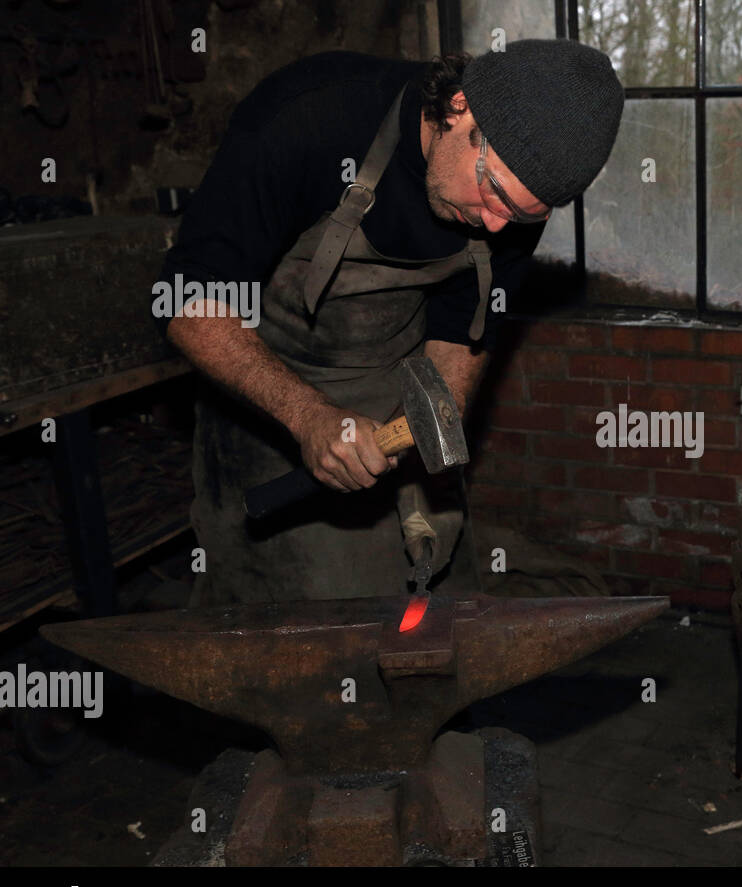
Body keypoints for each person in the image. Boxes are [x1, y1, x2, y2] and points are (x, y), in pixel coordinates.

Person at [154, 39, 624, 604]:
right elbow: (186, 305)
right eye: (494, 193)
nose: (499, 228)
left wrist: (429, 425)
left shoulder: (512, 193)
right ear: (458, 107)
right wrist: (308, 418)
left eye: (526, 216)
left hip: (392, 395)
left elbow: (463, 329)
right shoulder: (310, 117)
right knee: (293, 633)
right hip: (268, 401)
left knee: (432, 610)